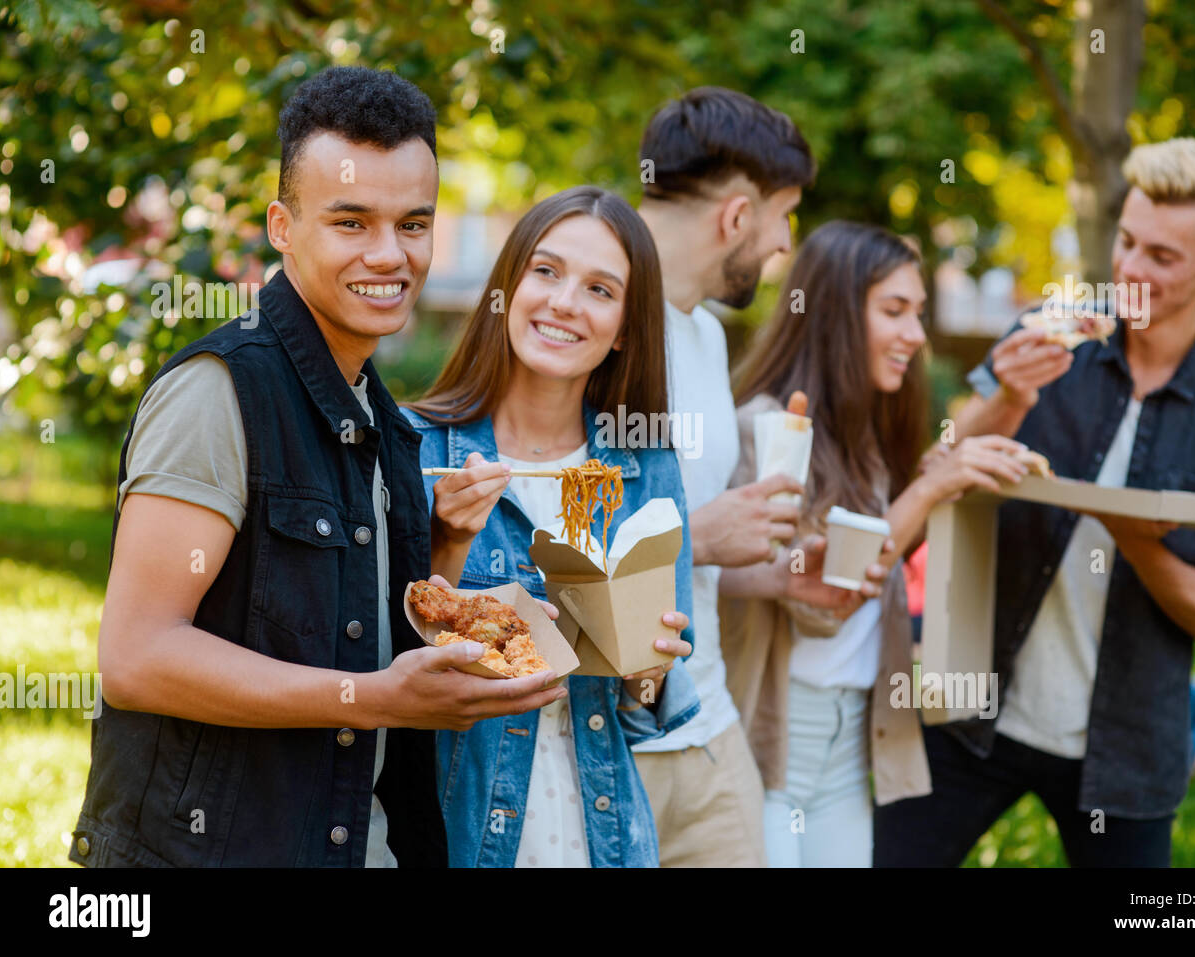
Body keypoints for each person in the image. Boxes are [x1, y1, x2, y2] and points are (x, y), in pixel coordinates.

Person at [69, 67, 567, 868]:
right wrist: (376, 700)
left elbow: (357, 632)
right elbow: (136, 657)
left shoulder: (379, 413)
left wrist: (434, 551)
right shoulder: (218, 390)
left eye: (413, 224)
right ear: (282, 225)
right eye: (350, 222)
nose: (388, 254)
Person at [874, 138, 1195, 868]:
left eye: (1161, 256)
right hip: (970, 710)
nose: (1129, 268)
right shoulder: (1051, 328)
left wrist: (1136, 539)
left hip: (1126, 751)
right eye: (1127, 242)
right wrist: (1007, 396)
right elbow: (938, 477)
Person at [401, 185, 699, 868]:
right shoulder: (416, 449)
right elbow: (387, 673)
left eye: (601, 289)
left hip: (602, 837)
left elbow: (649, 701)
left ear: (625, 325)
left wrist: (645, 664)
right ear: (508, 288)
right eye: (546, 271)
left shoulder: (646, 463)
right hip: (460, 832)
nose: (565, 302)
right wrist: (448, 541)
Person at [719, 222, 1031, 866]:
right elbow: (821, 600)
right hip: (777, 742)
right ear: (832, 313)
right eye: (894, 311)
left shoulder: (863, 443)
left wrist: (1002, 409)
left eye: (917, 313)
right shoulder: (764, 428)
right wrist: (927, 492)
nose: (916, 336)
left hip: (852, 739)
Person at [633, 86, 858, 868]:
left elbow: (694, 559)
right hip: (606, 739)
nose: (782, 242)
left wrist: (777, 573)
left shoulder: (700, 334)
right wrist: (699, 537)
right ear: (737, 216)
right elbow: (532, 529)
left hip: (709, 724)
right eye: (784, 213)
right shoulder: (587, 320)